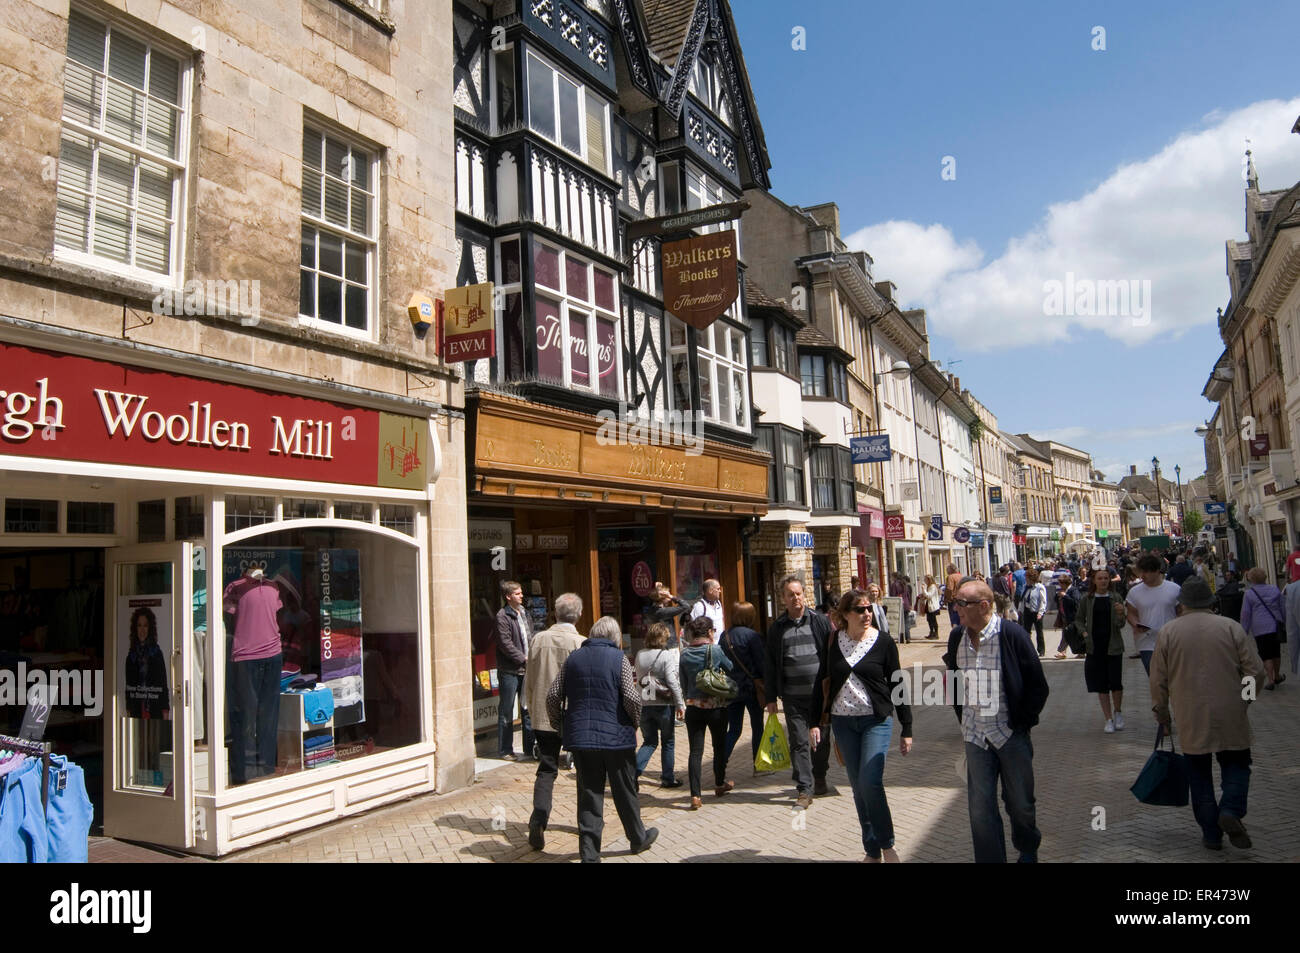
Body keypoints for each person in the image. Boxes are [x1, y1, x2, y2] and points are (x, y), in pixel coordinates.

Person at [1150, 578, 1265, 851]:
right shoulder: (1230, 627)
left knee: (1199, 776)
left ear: (1183, 604)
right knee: (1236, 765)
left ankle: (1211, 834)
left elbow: (1158, 680)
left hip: (1190, 712)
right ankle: (1231, 809)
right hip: (1230, 710)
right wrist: (1246, 699)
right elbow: (1255, 672)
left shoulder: (1168, 632)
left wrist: (1162, 712)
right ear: (1211, 602)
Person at [942, 578, 1049, 863]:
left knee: (1020, 805)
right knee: (980, 809)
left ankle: (1027, 851)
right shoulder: (957, 638)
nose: (956, 608)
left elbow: (1038, 685)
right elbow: (953, 682)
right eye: (955, 602)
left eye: (962, 603)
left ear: (984, 606)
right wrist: (962, 716)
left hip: (1010, 735)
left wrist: (1021, 723)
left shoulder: (1012, 634)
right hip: (975, 737)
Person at [811, 589, 913, 862]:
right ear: (845, 615)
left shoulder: (883, 642)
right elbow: (821, 679)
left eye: (869, 608)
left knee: (870, 781)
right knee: (858, 787)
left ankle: (887, 844)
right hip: (843, 723)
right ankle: (871, 851)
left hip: (875, 721)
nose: (867, 614)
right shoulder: (833, 640)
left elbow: (897, 683)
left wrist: (907, 727)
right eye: (860, 610)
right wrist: (814, 722)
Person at [546, 615, 658, 862]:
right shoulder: (618, 659)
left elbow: (553, 695)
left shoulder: (573, 658)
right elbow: (631, 697)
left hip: (583, 739)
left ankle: (589, 854)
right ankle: (638, 838)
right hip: (617, 737)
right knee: (624, 790)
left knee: (589, 794)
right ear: (614, 638)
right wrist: (634, 721)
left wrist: (560, 726)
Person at [524, 592, 586, 849]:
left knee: (547, 769)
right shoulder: (582, 643)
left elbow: (529, 677)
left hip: (543, 714)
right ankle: (587, 825)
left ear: (555, 614)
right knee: (585, 772)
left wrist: (529, 707)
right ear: (578, 615)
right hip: (574, 715)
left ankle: (539, 817)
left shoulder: (539, 639)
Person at [764, 575, 833, 808]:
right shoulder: (777, 629)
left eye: (799, 593)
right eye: (790, 594)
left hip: (820, 696)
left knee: (821, 740)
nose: (796, 598)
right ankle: (804, 788)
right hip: (793, 696)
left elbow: (832, 655)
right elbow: (770, 665)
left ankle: (820, 775)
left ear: (805, 594)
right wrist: (770, 698)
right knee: (799, 741)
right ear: (783, 598)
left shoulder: (819, 621)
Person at [678, 616, 734, 809]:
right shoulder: (715, 650)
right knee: (718, 747)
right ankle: (719, 784)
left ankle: (695, 795)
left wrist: (688, 699)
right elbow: (730, 667)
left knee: (695, 752)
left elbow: (683, 683)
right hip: (716, 707)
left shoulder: (684, 654)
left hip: (693, 708)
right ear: (710, 632)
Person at [1076, 568, 1129, 731]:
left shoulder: (1116, 598)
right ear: (1094, 581)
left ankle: (1118, 712)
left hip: (1113, 645)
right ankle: (1108, 719)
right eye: (1100, 578)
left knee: (1116, 683)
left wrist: (1121, 614)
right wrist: (1084, 633)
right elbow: (1078, 620)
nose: (1104, 581)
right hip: (1095, 646)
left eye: (1106, 578)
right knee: (1101, 684)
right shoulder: (1088, 598)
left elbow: (1121, 624)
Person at [634, 622, 685, 789]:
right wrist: (680, 704)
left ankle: (632, 772)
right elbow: (672, 681)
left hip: (644, 703)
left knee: (649, 741)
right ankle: (668, 777)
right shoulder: (665, 656)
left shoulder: (640, 654)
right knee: (668, 741)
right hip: (663, 704)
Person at [493, 581, 535, 761]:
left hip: (527, 670)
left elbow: (530, 636)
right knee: (507, 710)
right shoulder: (502, 616)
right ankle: (505, 750)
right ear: (508, 596)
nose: (521, 596)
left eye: (521, 593)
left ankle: (529, 748)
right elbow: (505, 643)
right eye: (517, 593)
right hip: (510, 671)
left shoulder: (525, 613)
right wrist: (522, 658)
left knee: (527, 709)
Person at [720, 602, 766, 766]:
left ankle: (721, 761)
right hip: (751, 688)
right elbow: (761, 662)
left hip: (732, 688)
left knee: (734, 729)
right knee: (757, 726)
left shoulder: (724, 636)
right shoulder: (752, 636)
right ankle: (759, 764)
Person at [1125, 554, 1181, 674]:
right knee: (1155, 678)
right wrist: (1136, 624)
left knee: (1173, 677)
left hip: (1171, 641)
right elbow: (1131, 613)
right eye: (1141, 572)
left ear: (1156, 571)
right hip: (1146, 643)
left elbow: (1181, 613)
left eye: (1146, 572)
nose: (1142, 576)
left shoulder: (1174, 589)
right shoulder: (1134, 592)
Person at [1239, 567, 1286, 690]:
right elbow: (1282, 607)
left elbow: (1246, 614)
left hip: (1260, 628)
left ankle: (1270, 679)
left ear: (1251, 579)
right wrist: (1284, 621)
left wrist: (1244, 630)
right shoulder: (1275, 589)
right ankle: (1277, 676)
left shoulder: (1249, 594)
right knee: (1276, 652)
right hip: (1275, 626)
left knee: (1265, 654)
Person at [1053, 573, 1081, 659]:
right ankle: (1063, 652)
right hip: (1064, 616)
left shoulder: (1073, 590)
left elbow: (1075, 603)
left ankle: (1080, 652)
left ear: (1065, 583)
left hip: (1073, 617)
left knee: (1072, 635)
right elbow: (1056, 601)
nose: (1060, 585)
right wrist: (1057, 596)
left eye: (1061, 583)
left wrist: (1065, 596)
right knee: (1066, 634)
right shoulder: (1063, 591)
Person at [1021, 568, 1047, 656]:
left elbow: (1043, 601)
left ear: (1032, 578)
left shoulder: (1039, 587)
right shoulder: (1025, 587)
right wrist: (1020, 611)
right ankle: (1028, 649)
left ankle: (1041, 650)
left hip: (1037, 612)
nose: (1026, 579)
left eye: (1027, 578)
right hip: (1027, 611)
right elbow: (1023, 600)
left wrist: (1040, 613)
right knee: (1026, 632)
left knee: (1039, 632)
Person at [889, 574, 912, 644]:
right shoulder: (904, 584)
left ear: (894, 577)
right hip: (906, 604)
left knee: (900, 622)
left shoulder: (894, 584)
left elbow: (893, 595)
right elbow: (908, 595)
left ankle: (902, 637)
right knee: (906, 621)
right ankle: (907, 637)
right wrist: (910, 604)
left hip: (898, 604)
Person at [921, 574, 941, 639]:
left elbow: (929, 595)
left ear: (929, 580)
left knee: (933, 620)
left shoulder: (933, 586)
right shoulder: (929, 586)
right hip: (929, 605)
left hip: (933, 606)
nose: (924, 581)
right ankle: (931, 632)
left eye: (925, 579)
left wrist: (923, 589)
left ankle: (936, 634)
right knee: (929, 620)